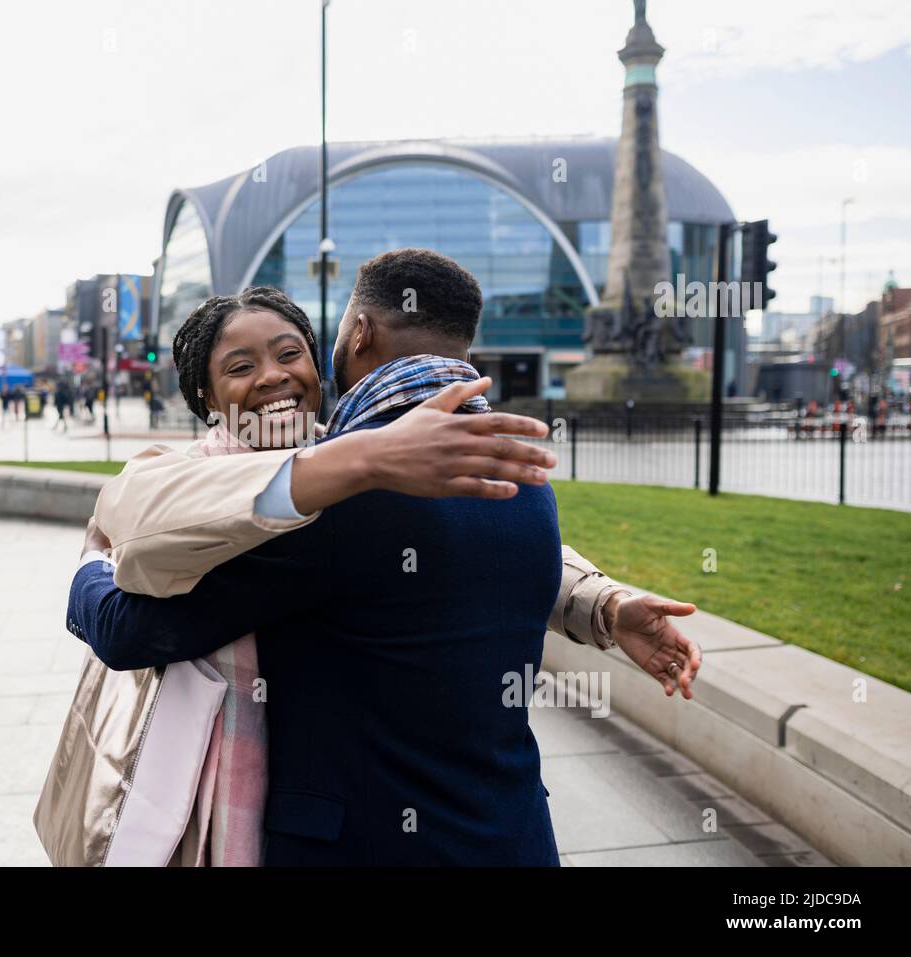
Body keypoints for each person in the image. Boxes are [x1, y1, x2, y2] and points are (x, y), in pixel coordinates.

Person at [68, 252, 700, 866]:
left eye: (292, 352)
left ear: (358, 332)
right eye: (241, 365)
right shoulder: (524, 477)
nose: (275, 375)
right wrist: (604, 602)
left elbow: (134, 630)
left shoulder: (342, 499)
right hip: (512, 835)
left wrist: (88, 572)